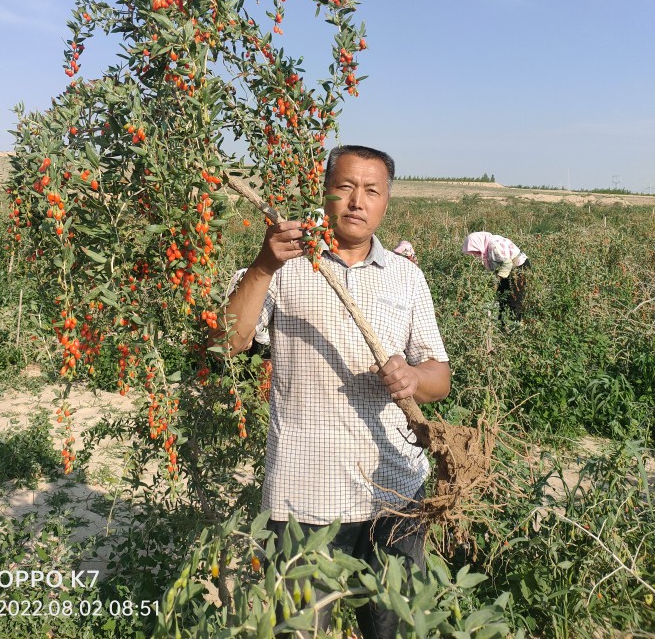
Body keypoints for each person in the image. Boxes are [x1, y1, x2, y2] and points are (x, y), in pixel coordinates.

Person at [218, 145, 451, 638]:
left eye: (371, 191)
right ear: (325, 194)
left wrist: (413, 377)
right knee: (296, 630)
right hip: (302, 498)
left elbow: (439, 375)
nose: (356, 202)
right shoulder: (284, 264)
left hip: (394, 494)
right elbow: (228, 342)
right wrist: (262, 265)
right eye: (344, 188)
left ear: (388, 200)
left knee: (396, 628)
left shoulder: (406, 277)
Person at [461, 231, 531, 323]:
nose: (475, 253)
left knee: (514, 297)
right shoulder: (487, 246)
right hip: (507, 271)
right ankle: (502, 323)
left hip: (519, 268)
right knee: (501, 295)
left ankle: (516, 326)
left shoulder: (494, 245)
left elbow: (507, 263)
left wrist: (498, 279)